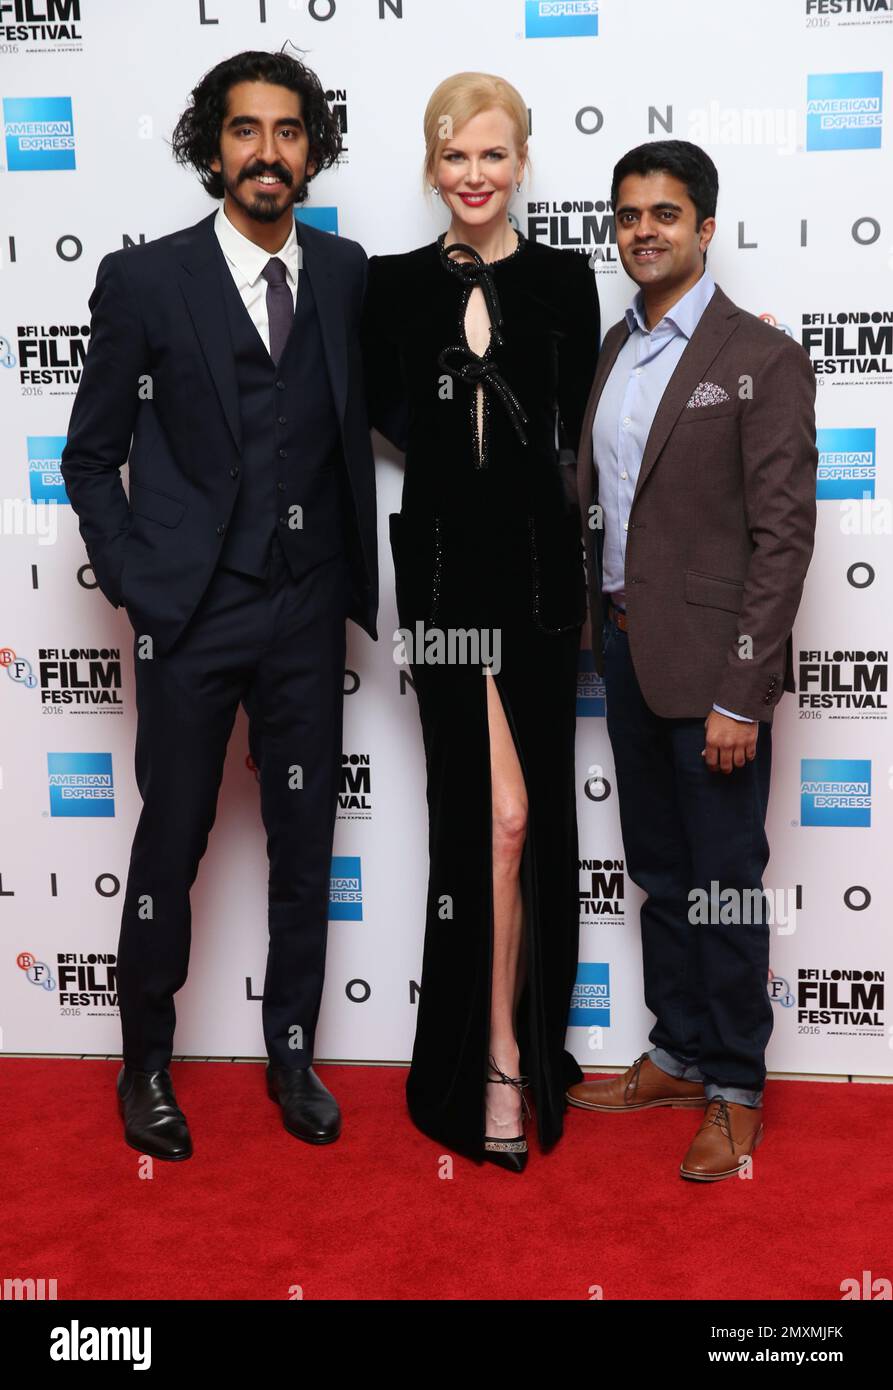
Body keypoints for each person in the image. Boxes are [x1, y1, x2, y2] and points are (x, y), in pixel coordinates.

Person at [60, 50, 378, 1160]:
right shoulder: (147, 280)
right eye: (245, 131)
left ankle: (291, 1055)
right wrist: (140, 583)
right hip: (192, 617)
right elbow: (89, 457)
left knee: (305, 840)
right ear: (211, 150)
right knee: (171, 841)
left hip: (306, 609)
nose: (267, 153)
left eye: (288, 131)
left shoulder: (344, 273)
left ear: (311, 151)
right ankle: (145, 1064)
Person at [363, 72, 600, 1170]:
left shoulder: (563, 280)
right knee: (486, 818)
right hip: (444, 579)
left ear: (521, 163)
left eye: (493, 155)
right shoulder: (389, 285)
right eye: (454, 155)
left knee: (532, 820)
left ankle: (525, 1047)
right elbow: (390, 417)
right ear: (431, 163)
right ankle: (485, 1055)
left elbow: (572, 424)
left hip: (541, 582)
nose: (474, 174)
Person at [569, 140, 817, 1180]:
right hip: (626, 654)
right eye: (627, 215)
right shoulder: (614, 350)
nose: (643, 231)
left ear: (704, 228)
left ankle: (734, 1087)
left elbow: (781, 538)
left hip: (716, 671)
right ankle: (676, 1053)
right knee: (661, 873)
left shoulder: (760, 357)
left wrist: (742, 693)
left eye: (664, 214)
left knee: (723, 883)